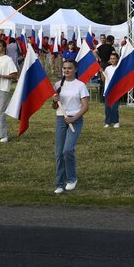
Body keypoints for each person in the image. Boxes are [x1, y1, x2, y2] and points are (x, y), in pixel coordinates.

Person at [52, 59, 90, 194]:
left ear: (75, 70)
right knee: (59, 152)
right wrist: (55, 101)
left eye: (69, 68)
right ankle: (59, 184)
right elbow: (54, 106)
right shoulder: (58, 84)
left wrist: (74, 118)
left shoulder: (80, 85)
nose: (66, 70)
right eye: (64, 68)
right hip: (60, 119)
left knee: (67, 150)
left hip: (75, 120)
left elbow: (85, 106)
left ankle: (72, 179)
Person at [99, 52, 121, 128]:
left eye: (114, 59)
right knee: (107, 107)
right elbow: (103, 79)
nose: (112, 60)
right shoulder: (107, 68)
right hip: (107, 90)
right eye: (111, 58)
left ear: (117, 59)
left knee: (114, 107)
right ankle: (108, 122)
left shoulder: (119, 68)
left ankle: (116, 121)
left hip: (116, 90)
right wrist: (101, 72)